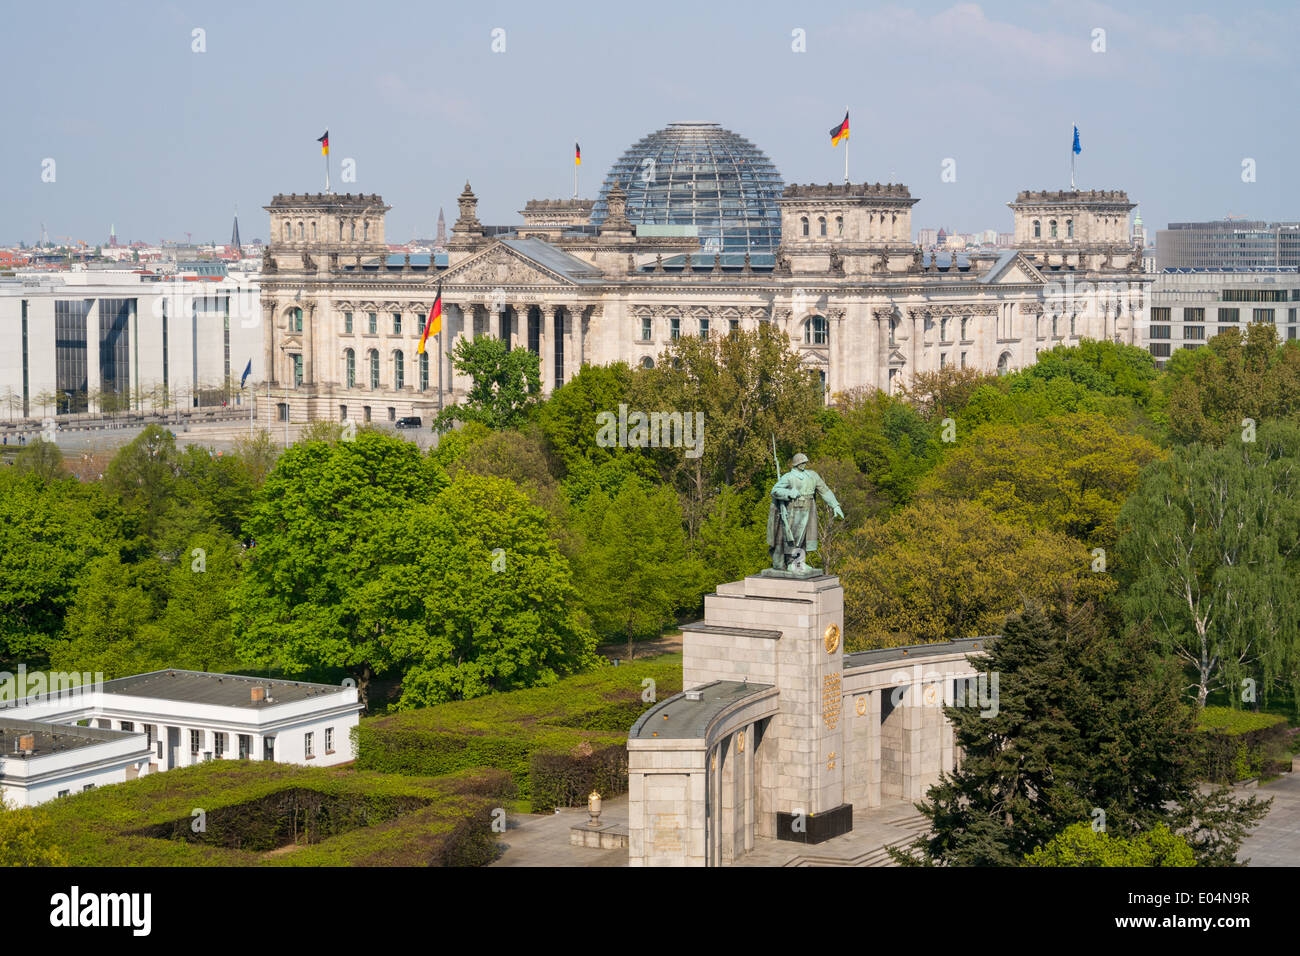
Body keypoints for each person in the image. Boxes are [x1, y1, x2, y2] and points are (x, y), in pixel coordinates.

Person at [766, 453, 843, 574]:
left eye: (805, 462)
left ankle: (800, 561)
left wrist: (835, 505)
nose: (804, 464)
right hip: (795, 509)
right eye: (801, 463)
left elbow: (824, 490)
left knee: (805, 538)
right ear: (796, 464)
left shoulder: (812, 475)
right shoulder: (789, 477)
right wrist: (789, 492)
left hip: (809, 508)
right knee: (794, 538)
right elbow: (775, 491)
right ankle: (792, 562)